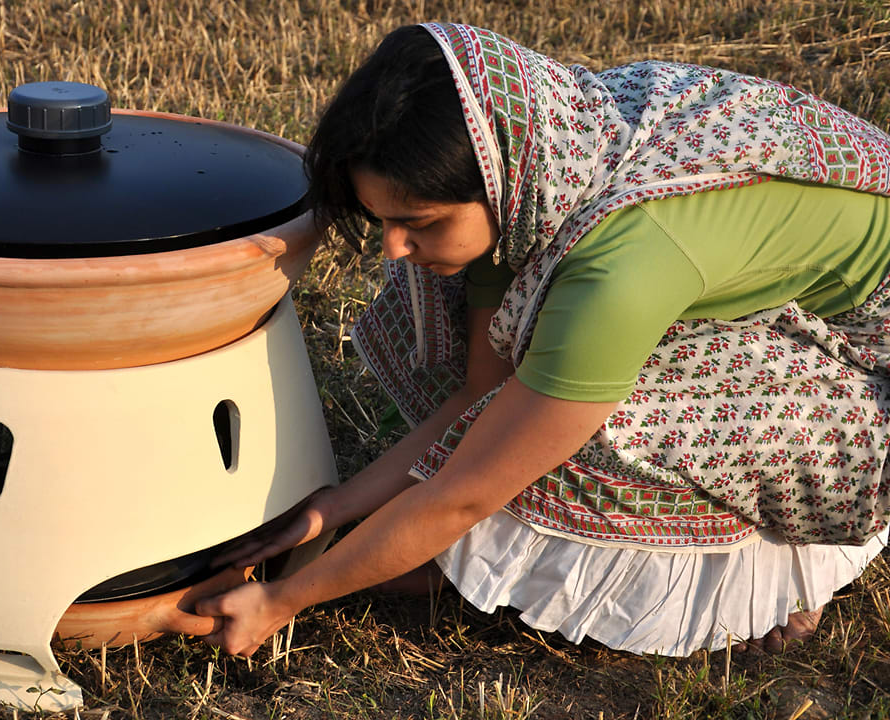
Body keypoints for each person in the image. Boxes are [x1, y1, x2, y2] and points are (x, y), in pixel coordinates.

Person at [194, 22, 890, 657]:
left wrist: (280, 603)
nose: (394, 248)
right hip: (758, 296)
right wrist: (334, 506)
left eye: (420, 221)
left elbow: (464, 493)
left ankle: (760, 585)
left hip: (869, 383)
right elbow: (481, 393)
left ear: (493, 183)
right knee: (519, 380)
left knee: (598, 421)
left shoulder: (619, 270)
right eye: (382, 221)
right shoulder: (535, 165)